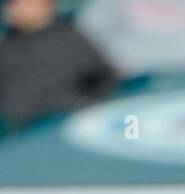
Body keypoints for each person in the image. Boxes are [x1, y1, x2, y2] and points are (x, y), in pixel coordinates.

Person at [0, 0, 116, 130]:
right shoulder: (5, 51)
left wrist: (86, 101)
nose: (23, 9)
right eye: (15, 4)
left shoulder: (69, 37)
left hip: (77, 121)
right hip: (28, 132)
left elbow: (104, 76)